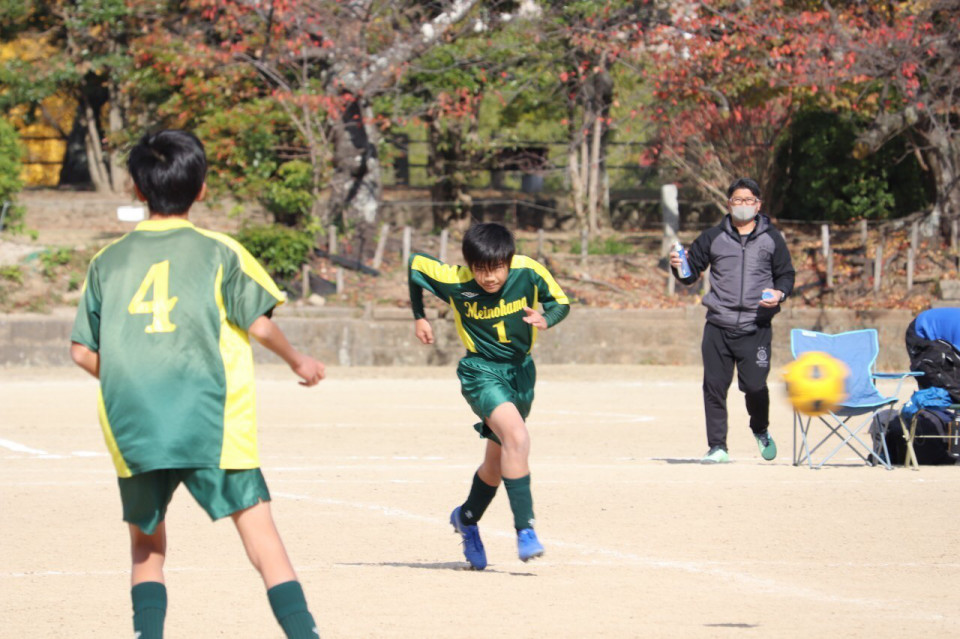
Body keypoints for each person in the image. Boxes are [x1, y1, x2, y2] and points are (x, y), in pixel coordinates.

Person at [69, 130, 325, 639]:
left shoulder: (106, 262)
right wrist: (299, 360)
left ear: (135, 190)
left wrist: (131, 378)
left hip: (134, 423)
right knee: (263, 540)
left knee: (147, 548)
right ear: (202, 188)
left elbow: (82, 351)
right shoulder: (221, 252)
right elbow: (258, 323)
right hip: (214, 421)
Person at [408, 222, 571, 569]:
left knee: (497, 464)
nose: (489, 277)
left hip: (520, 372)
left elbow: (561, 302)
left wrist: (546, 318)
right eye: (480, 269)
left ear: (508, 261)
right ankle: (525, 530)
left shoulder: (528, 271)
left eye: (496, 268)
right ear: (469, 264)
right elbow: (415, 264)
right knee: (517, 436)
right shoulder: (455, 280)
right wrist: (420, 317)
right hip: (480, 372)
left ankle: (466, 517)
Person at [669, 177, 795, 464]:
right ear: (729, 204)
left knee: (755, 387)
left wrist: (779, 293)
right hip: (718, 324)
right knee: (714, 386)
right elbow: (690, 275)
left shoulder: (772, 239)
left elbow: (786, 275)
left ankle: (760, 429)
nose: (743, 205)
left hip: (756, 325)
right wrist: (678, 268)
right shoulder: (713, 236)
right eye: (737, 200)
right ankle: (717, 447)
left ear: (758, 204)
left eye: (748, 200)